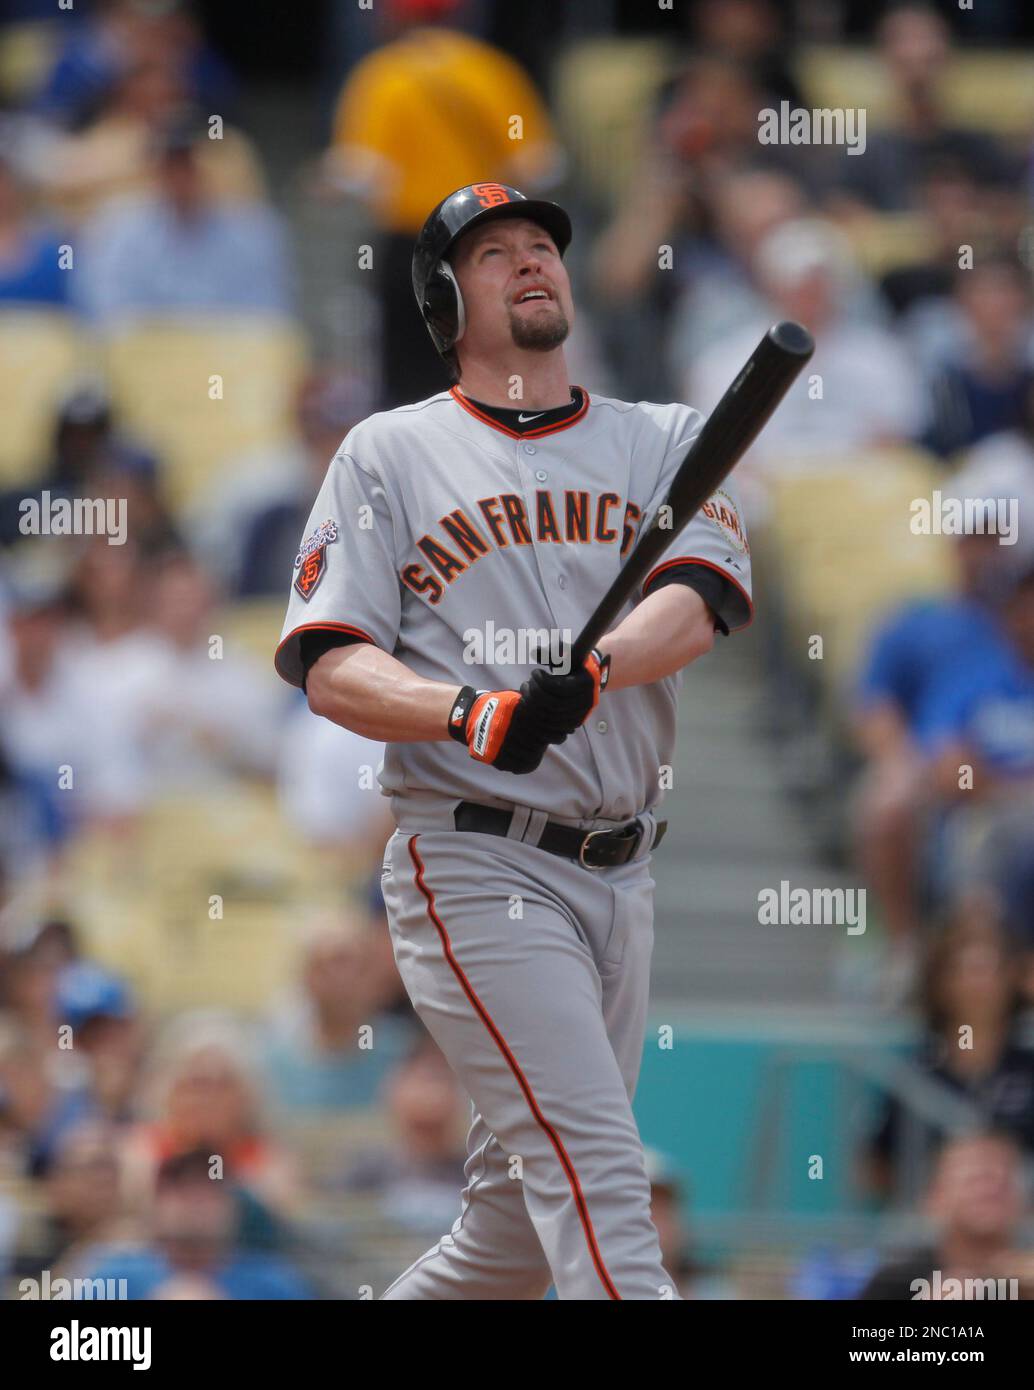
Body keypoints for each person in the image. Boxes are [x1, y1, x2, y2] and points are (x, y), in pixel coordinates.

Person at [275, 182, 755, 1299]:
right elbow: (330, 662)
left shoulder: (661, 438)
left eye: (542, 244)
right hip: (475, 854)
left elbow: (701, 597)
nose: (532, 261)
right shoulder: (387, 453)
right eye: (495, 254)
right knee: (599, 1174)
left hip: (619, 866)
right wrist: (467, 709)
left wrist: (594, 665)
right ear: (447, 298)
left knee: (502, 1244)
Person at [858, 1131, 1034, 1299]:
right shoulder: (896, 1283)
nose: (989, 1189)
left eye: (1002, 1181)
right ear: (934, 1197)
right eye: (974, 1180)